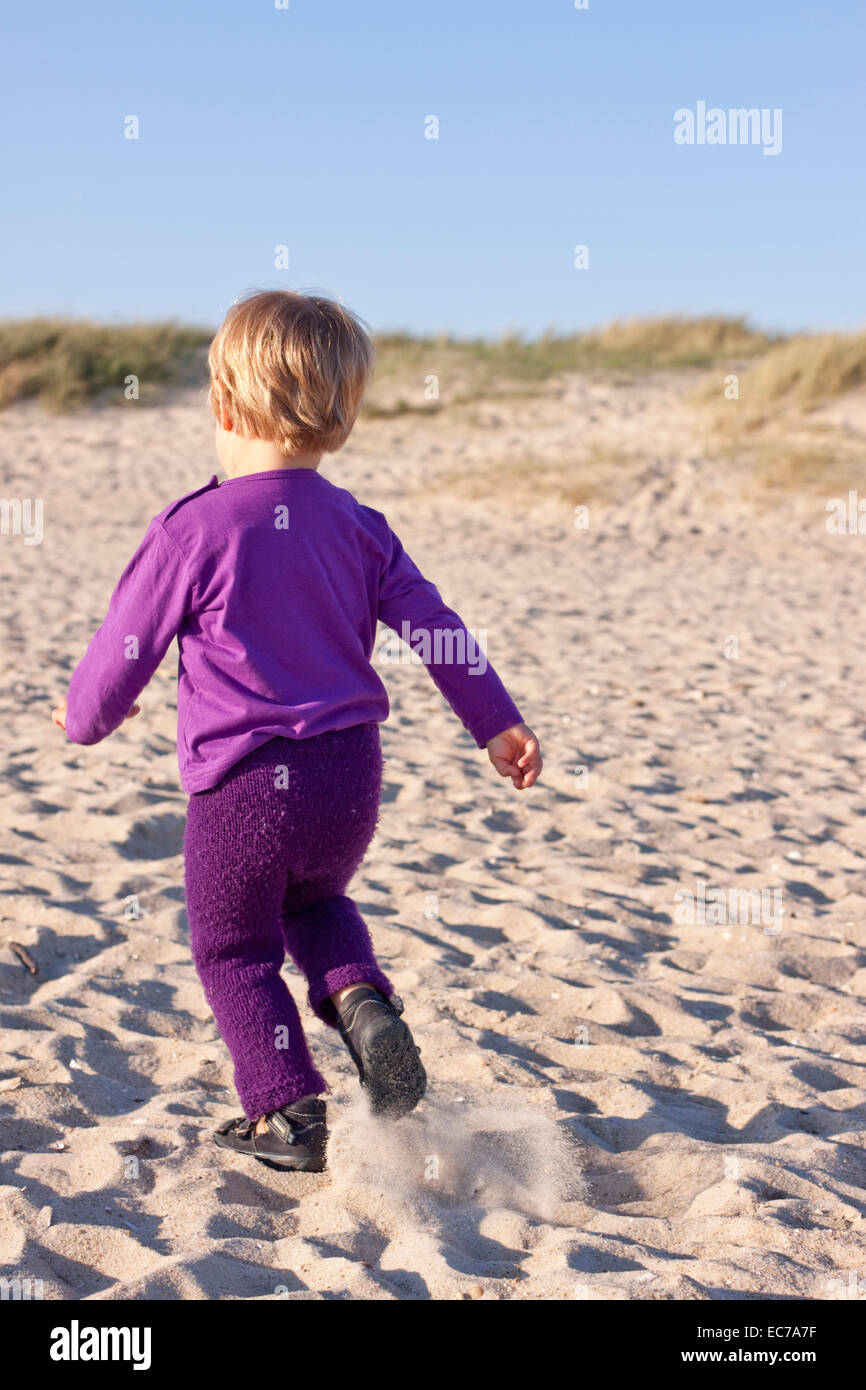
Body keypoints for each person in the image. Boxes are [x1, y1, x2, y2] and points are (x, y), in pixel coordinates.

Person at [52, 290, 542, 1172]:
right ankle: (360, 1000)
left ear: (222, 405)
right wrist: (496, 723)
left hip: (243, 785)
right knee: (317, 902)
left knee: (234, 948)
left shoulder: (192, 527)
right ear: (341, 418)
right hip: (349, 776)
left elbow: (124, 647)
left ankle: (285, 1110)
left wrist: (87, 718)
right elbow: (437, 629)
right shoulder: (359, 526)